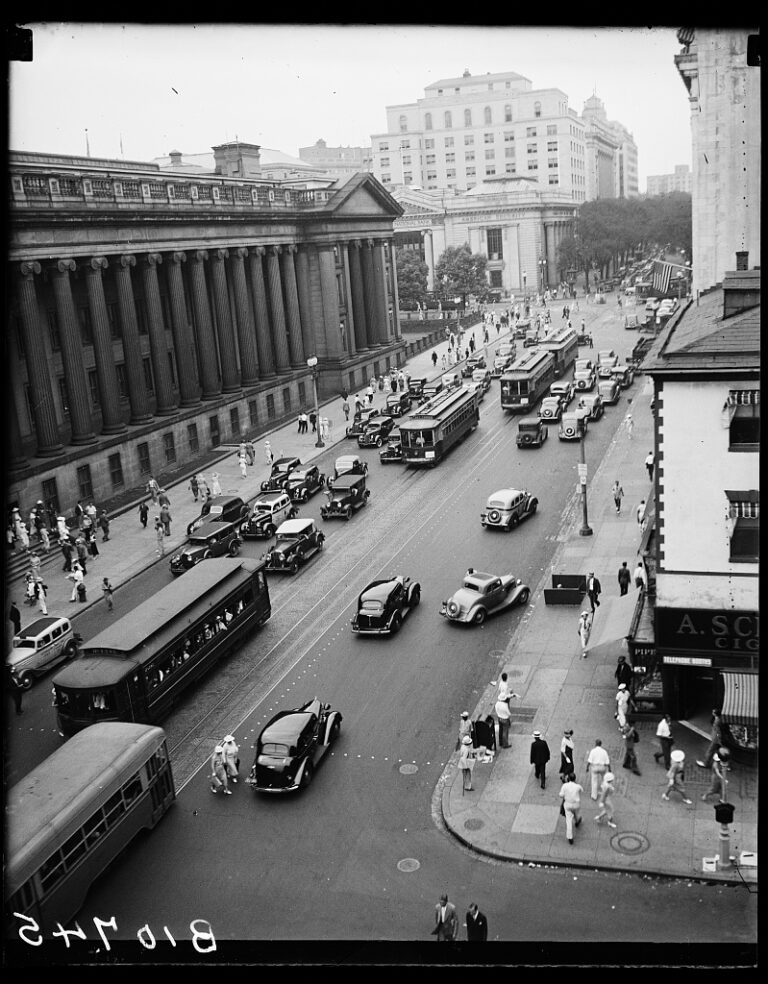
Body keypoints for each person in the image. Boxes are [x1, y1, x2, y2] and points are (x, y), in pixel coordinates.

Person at [558, 772, 584, 845]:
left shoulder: (565, 786)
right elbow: (582, 790)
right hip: (576, 804)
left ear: (568, 778)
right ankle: (577, 821)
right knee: (575, 812)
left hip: (568, 804)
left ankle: (570, 837)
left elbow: (561, 795)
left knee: (568, 820)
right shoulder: (578, 786)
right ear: (575, 779)